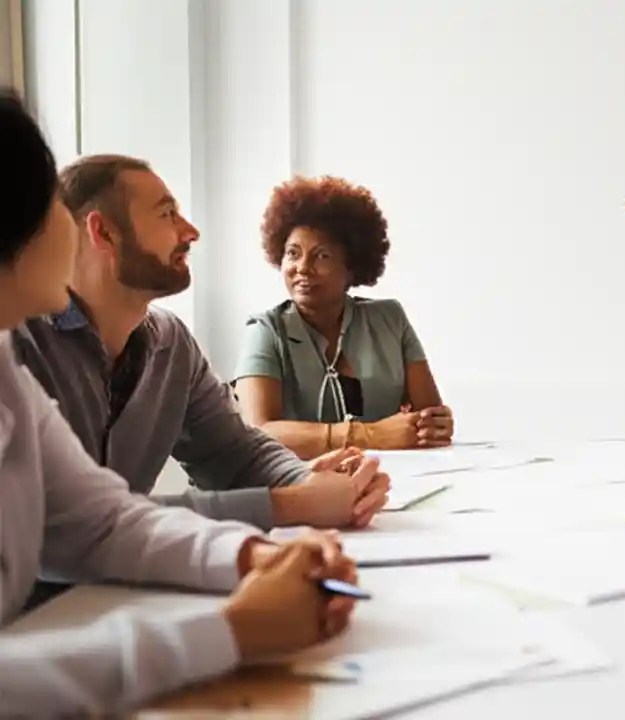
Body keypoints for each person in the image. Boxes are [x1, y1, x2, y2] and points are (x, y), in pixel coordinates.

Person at [0, 89, 361, 716]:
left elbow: (106, 519)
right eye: (46, 202)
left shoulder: (5, 365)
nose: (190, 232)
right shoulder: (22, 344)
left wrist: (258, 557)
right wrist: (230, 632)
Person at [13, 155, 388, 530]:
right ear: (104, 233)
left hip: (126, 584)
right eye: (167, 214)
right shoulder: (16, 347)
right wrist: (289, 505)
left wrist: (312, 483)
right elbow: (63, 521)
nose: (190, 231)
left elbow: (236, 456)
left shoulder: (172, 344)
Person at [234, 175, 452, 461]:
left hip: (391, 480)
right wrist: (370, 435)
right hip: (299, 487)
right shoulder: (265, 330)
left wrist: (435, 426)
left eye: (321, 255)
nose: (302, 268)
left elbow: (428, 418)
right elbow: (260, 432)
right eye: (292, 253)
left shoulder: (390, 319)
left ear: (352, 267)